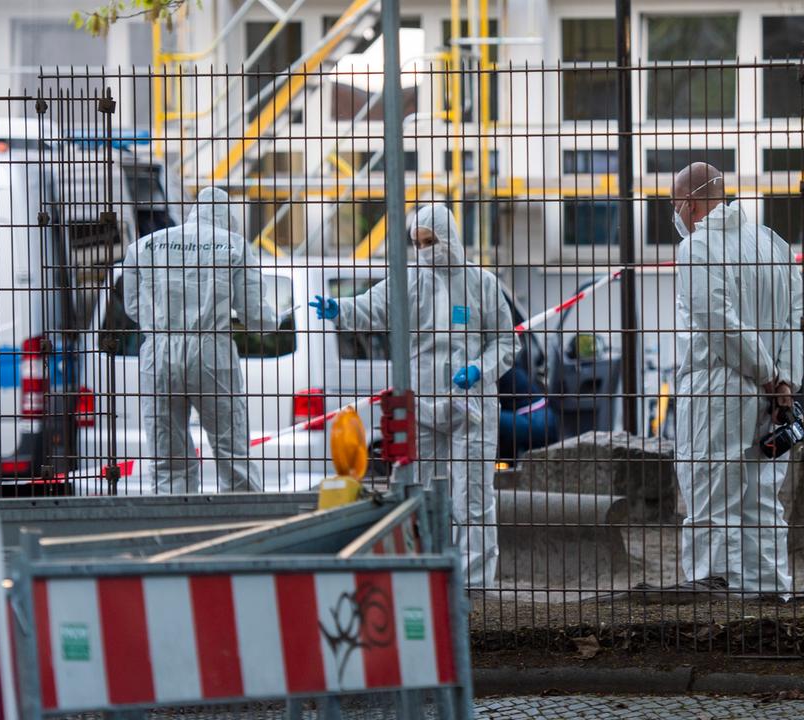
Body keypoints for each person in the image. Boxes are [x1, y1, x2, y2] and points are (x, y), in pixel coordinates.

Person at [309, 203, 519, 587]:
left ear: (449, 237)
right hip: (421, 403)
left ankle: (473, 585)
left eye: (430, 241)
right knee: (419, 491)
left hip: (471, 405)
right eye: (418, 243)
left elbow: (506, 342)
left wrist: (480, 369)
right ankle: (425, 574)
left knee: (472, 498)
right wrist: (339, 310)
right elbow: (372, 307)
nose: (425, 250)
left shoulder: (483, 284)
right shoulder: (408, 281)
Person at [670, 162, 804, 600]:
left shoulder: (697, 248)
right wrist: (785, 382)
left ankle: (717, 600)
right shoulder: (773, 245)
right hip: (773, 402)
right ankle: (770, 595)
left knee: (711, 500)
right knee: (762, 501)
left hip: (718, 392)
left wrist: (767, 374)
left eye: (675, 205)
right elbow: (797, 320)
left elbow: (719, 323)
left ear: (689, 204)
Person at [122, 187, 278, 493]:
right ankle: (243, 515)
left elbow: (132, 306)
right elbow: (255, 315)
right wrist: (274, 321)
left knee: (167, 455)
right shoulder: (233, 246)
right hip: (211, 351)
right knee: (232, 451)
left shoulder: (145, 246)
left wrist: (161, 324)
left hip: (159, 351)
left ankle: (175, 516)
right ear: (227, 218)